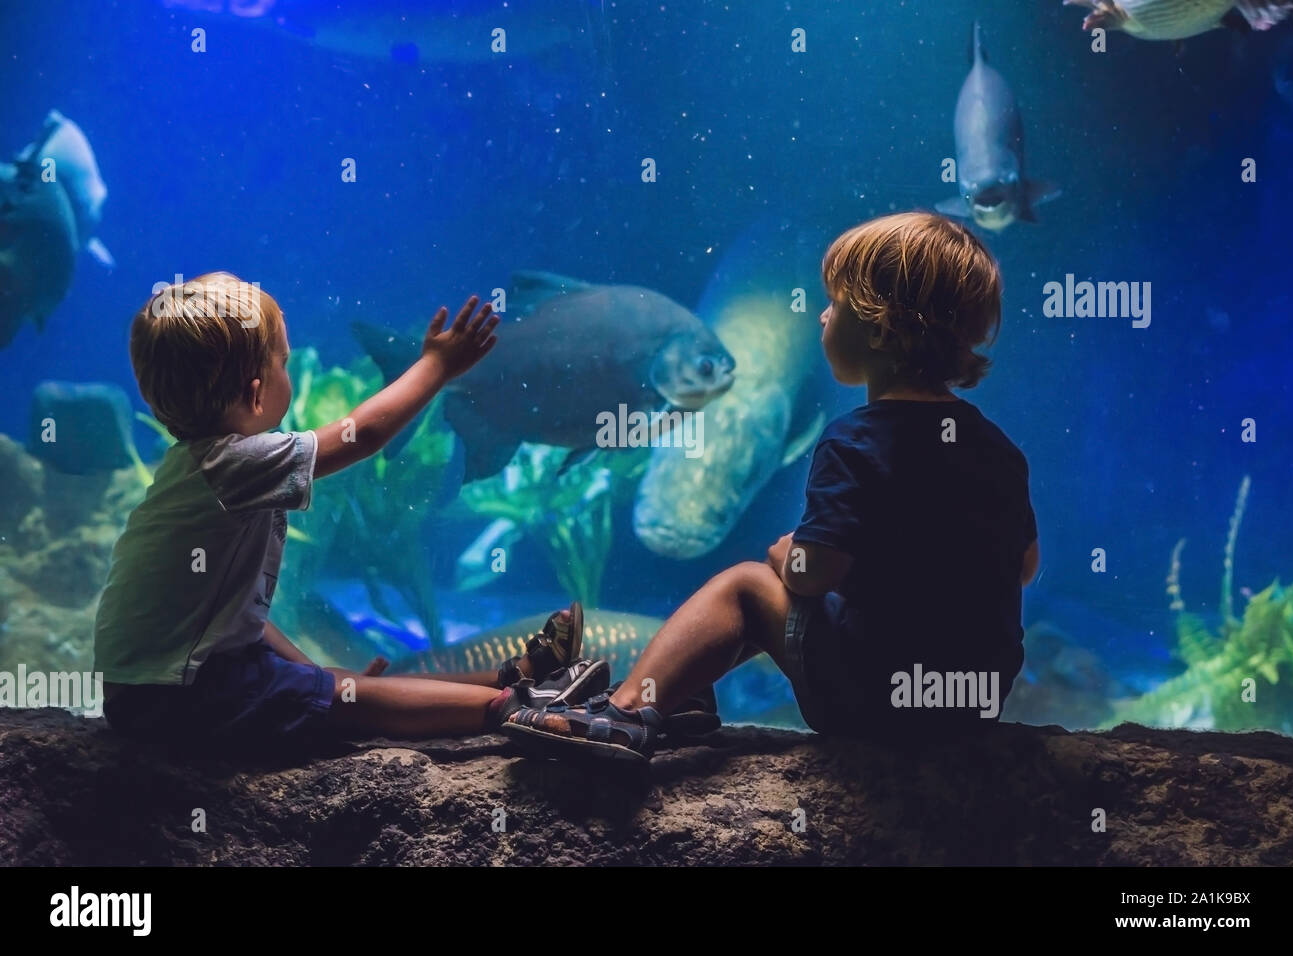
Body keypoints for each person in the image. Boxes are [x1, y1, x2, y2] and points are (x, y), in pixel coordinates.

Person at [503, 212, 1039, 764]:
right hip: (971, 707)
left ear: (880, 330)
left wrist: (789, 558)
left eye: (836, 305)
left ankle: (623, 715)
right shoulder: (998, 449)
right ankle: (679, 700)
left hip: (873, 706)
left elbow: (816, 575)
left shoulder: (855, 441)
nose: (823, 315)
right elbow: (1021, 566)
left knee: (747, 588)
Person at [94, 272, 606, 749]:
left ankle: (509, 678)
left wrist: (323, 675)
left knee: (348, 688)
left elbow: (237, 623)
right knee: (355, 702)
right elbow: (364, 434)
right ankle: (521, 710)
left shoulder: (199, 468)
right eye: (283, 362)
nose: (287, 371)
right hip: (177, 699)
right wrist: (437, 365)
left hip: (162, 690)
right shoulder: (234, 463)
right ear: (255, 395)